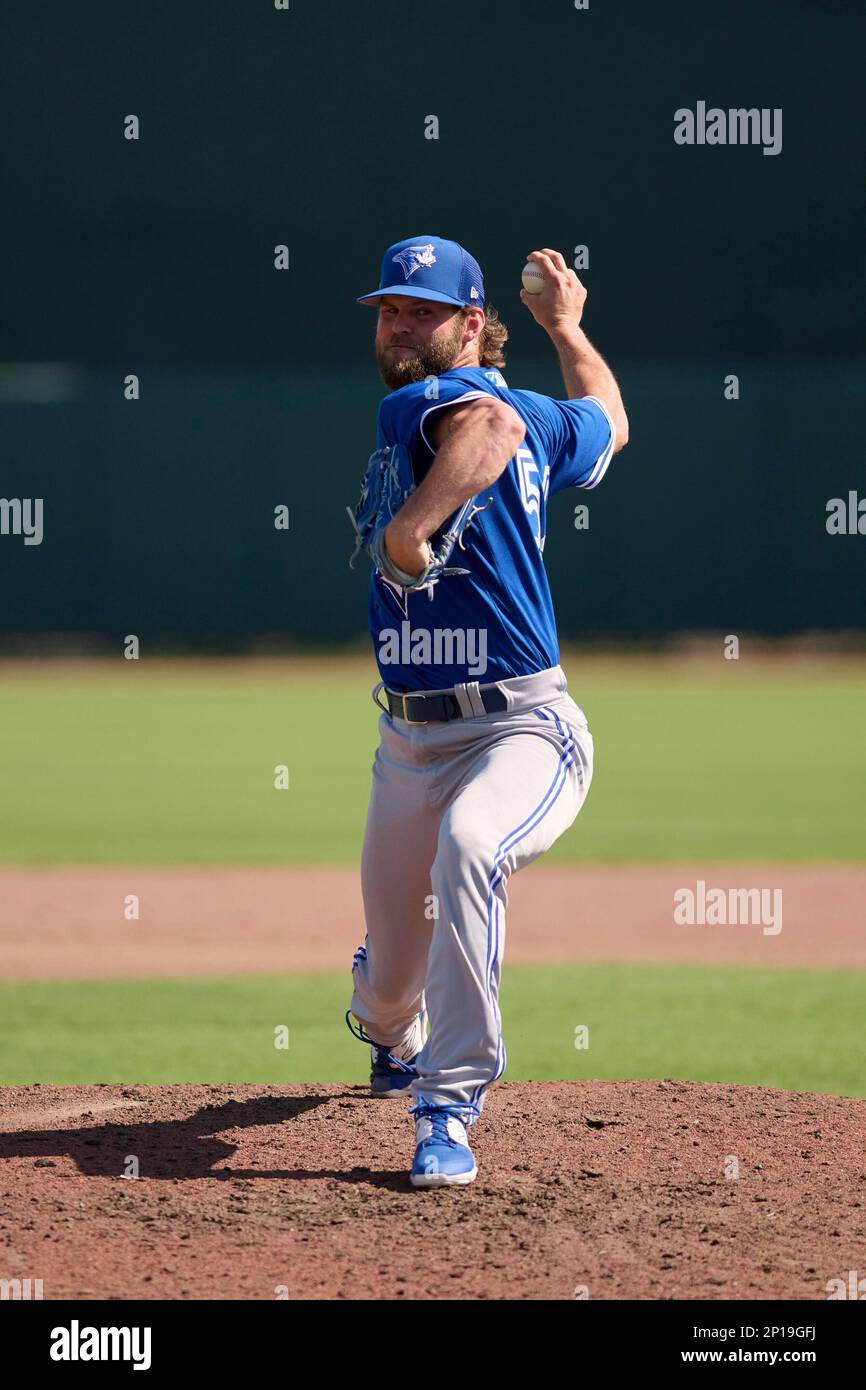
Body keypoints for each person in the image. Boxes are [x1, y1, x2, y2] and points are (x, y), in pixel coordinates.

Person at [345, 236, 629, 1187]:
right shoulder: (543, 413)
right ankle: (395, 1025)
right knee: (387, 992)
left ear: (471, 325)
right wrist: (570, 330)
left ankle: (450, 1108)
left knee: (472, 847)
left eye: (420, 311)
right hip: (409, 738)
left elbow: (490, 435)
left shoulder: (435, 402)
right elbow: (610, 423)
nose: (398, 325)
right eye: (390, 308)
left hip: (522, 727)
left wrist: (408, 529)